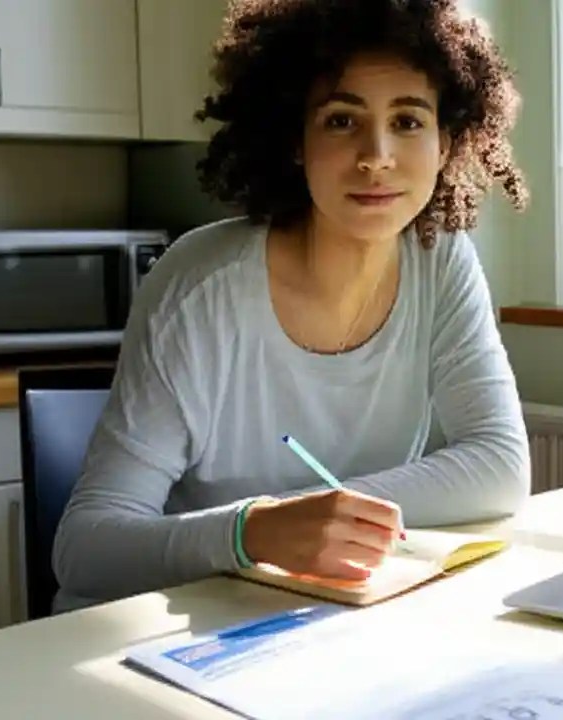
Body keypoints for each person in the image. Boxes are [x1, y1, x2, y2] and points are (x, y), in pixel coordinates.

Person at [51, 0, 532, 611]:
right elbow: (84, 550)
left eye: (408, 121)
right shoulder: (200, 289)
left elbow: (500, 467)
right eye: (340, 120)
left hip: (318, 620)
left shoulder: (441, 258)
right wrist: (254, 533)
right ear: (295, 141)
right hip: (169, 634)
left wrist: (325, 521)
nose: (377, 155)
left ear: (446, 143)